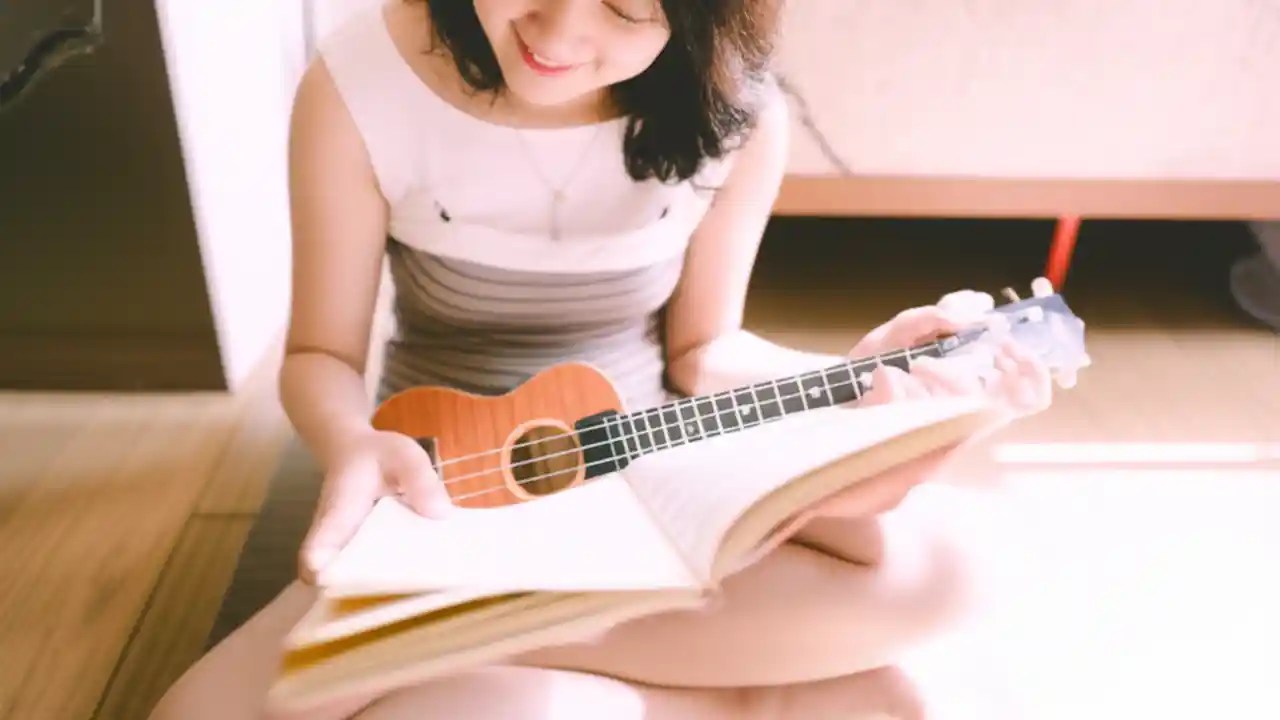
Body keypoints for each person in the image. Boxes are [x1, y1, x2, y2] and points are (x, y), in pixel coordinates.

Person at [150, 1, 1054, 718]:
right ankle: (721, 694)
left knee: (954, 569)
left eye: (624, 6)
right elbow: (318, 353)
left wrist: (852, 380)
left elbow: (704, 351)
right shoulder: (362, 81)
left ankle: (452, 636)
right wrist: (350, 442)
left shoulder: (740, 111)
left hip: (648, 478)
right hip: (441, 491)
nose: (557, 33)